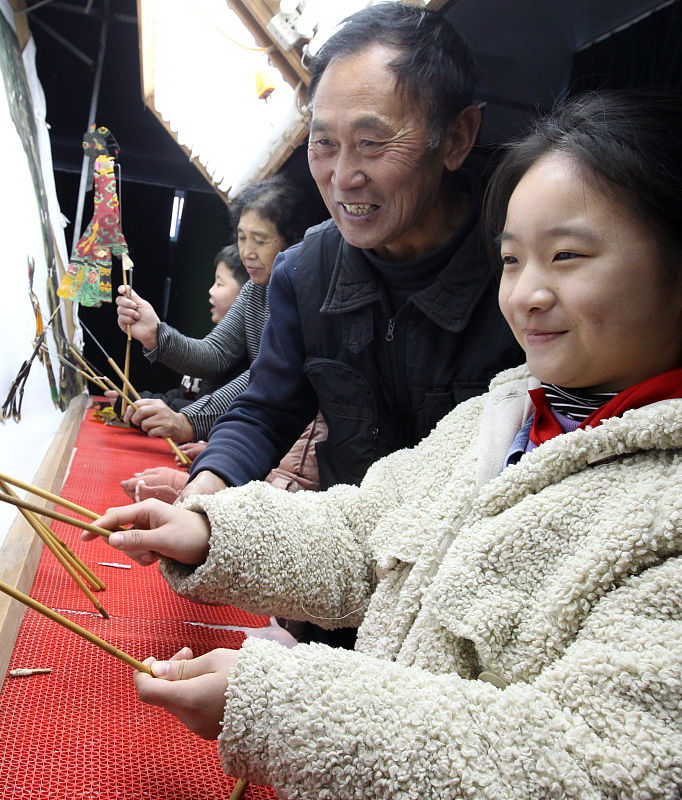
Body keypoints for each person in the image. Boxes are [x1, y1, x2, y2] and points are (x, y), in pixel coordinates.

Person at [85, 91, 682, 798]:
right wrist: (211, 531)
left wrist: (286, 706)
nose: (527, 296)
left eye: (568, 256)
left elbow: (599, 770)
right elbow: (366, 534)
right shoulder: (505, 412)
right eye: (512, 261)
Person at [183, 4, 522, 500]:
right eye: (323, 142)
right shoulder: (303, 272)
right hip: (347, 552)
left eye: (371, 142)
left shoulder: (519, 269)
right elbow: (266, 411)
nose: (342, 178)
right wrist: (204, 490)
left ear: (455, 137)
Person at [114, 175, 315, 443]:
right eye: (242, 238)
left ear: (293, 243)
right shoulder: (255, 290)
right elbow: (215, 354)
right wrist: (154, 332)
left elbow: (262, 378)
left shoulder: (307, 299)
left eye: (260, 240)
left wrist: (187, 422)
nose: (248, 252)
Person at [120, 244, 248, 414]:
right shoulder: (218, 340)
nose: (211, 290)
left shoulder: (245, 356)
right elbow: (185, 395)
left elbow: (206, 410)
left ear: (249, 292)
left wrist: (137, 403)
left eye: (220, 283)